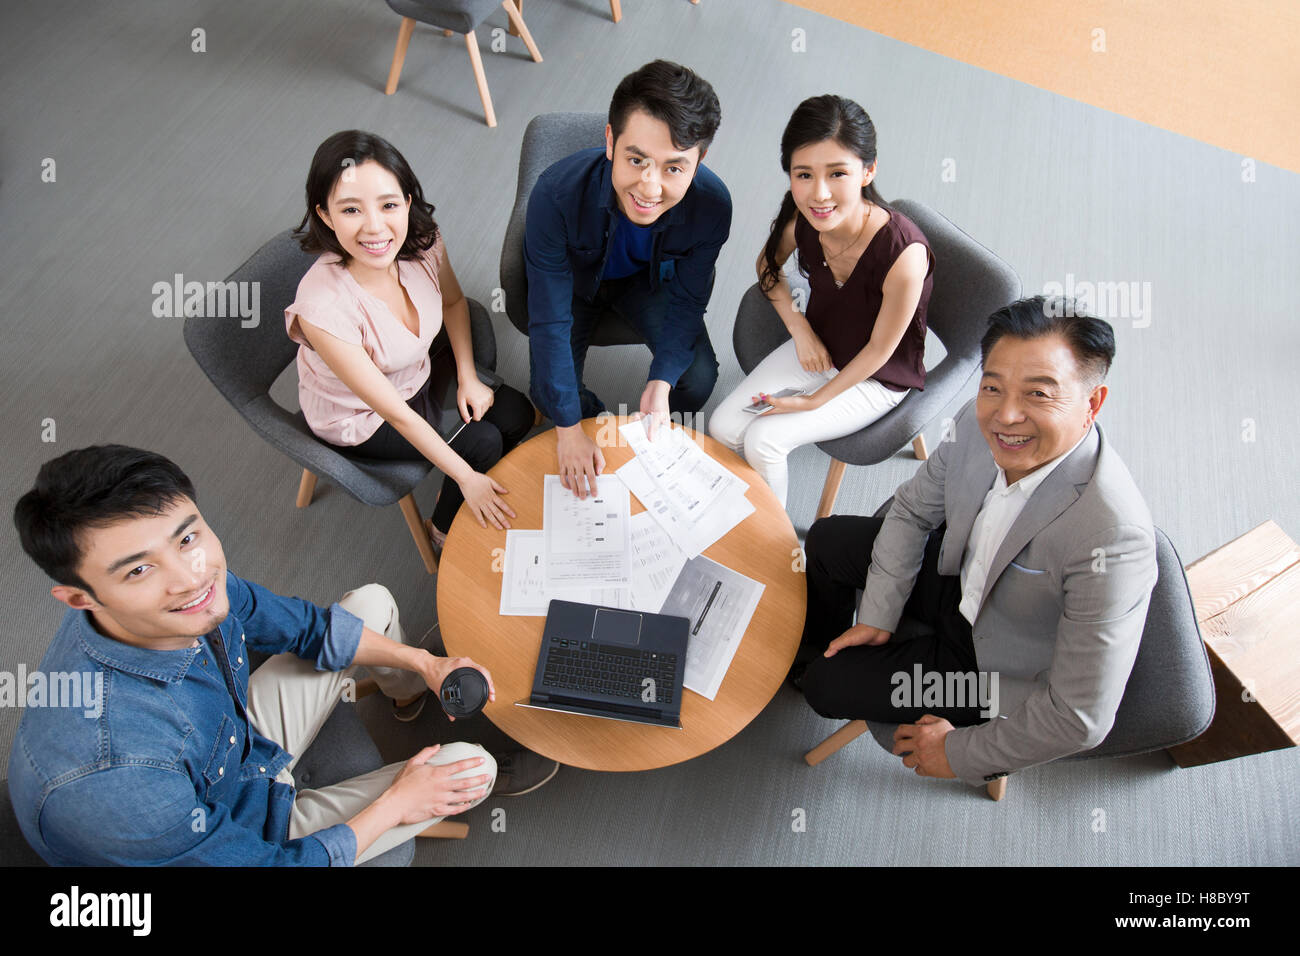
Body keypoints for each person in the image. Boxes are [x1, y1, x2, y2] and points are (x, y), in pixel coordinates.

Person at [8, 445, 556, 866]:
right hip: (239, 824)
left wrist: (427, 666)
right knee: (471, 768)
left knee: (372, 605)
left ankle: (411, 697)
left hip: (234, 744)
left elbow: (308, 628)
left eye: (186, 538)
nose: (189, 578)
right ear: (80, 597)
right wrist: (396, 805)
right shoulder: (117, 780)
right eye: (139, 570)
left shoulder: (191, 593)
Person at [796, 298, 1158, 787]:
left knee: (823, 686)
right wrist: (880, 613)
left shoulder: (1112, 539)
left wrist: (960, 751)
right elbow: (911, 510)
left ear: (1092, 404)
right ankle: (817, 646)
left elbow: (1080, 717)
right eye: (993, 386)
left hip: (990, 667)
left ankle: (817, 669)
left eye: (1038, 394)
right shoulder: (974, 419)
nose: (1005, 416)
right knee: (827, 537)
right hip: (958, 574)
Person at [287, 130, 536, 552]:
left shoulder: (421, 241)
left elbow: (455, 304)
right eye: (351, 209)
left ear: (406, 201)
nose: (375, 227)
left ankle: (457, 485)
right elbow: (396, 414)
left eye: (388, 204)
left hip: (414, 366)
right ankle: (441, 528)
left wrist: (469, 377)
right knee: (483, 444)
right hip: (365, 413)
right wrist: (467, 477)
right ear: (325, 216)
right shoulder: (323, 310)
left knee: (516, 414)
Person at [709, 95, 933, 508]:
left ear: (868, 171)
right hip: (821, 349)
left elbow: (882, 351)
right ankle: (743, 513)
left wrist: (815, 400)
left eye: (837, 173)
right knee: (723, 427)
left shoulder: (904, 255)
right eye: (804, 174)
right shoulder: (803, 222)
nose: (819, 193)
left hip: (876, 377)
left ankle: (776, 547)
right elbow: (767, 268)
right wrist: (800, 329)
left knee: (764, 441)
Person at [525, 59, 731, 497]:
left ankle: (636, 413)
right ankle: (598, 420)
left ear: (700, 160)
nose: (650, 188)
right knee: (548, 396)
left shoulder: (713, 206)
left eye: (674, 167)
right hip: (576, 288)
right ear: (609, 141)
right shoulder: (554, 194)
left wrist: (660, 383)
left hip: (647, 284)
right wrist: (568, 428)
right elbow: (548, 318)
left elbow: (690, 300)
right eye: (636, 160)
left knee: (693, 380)